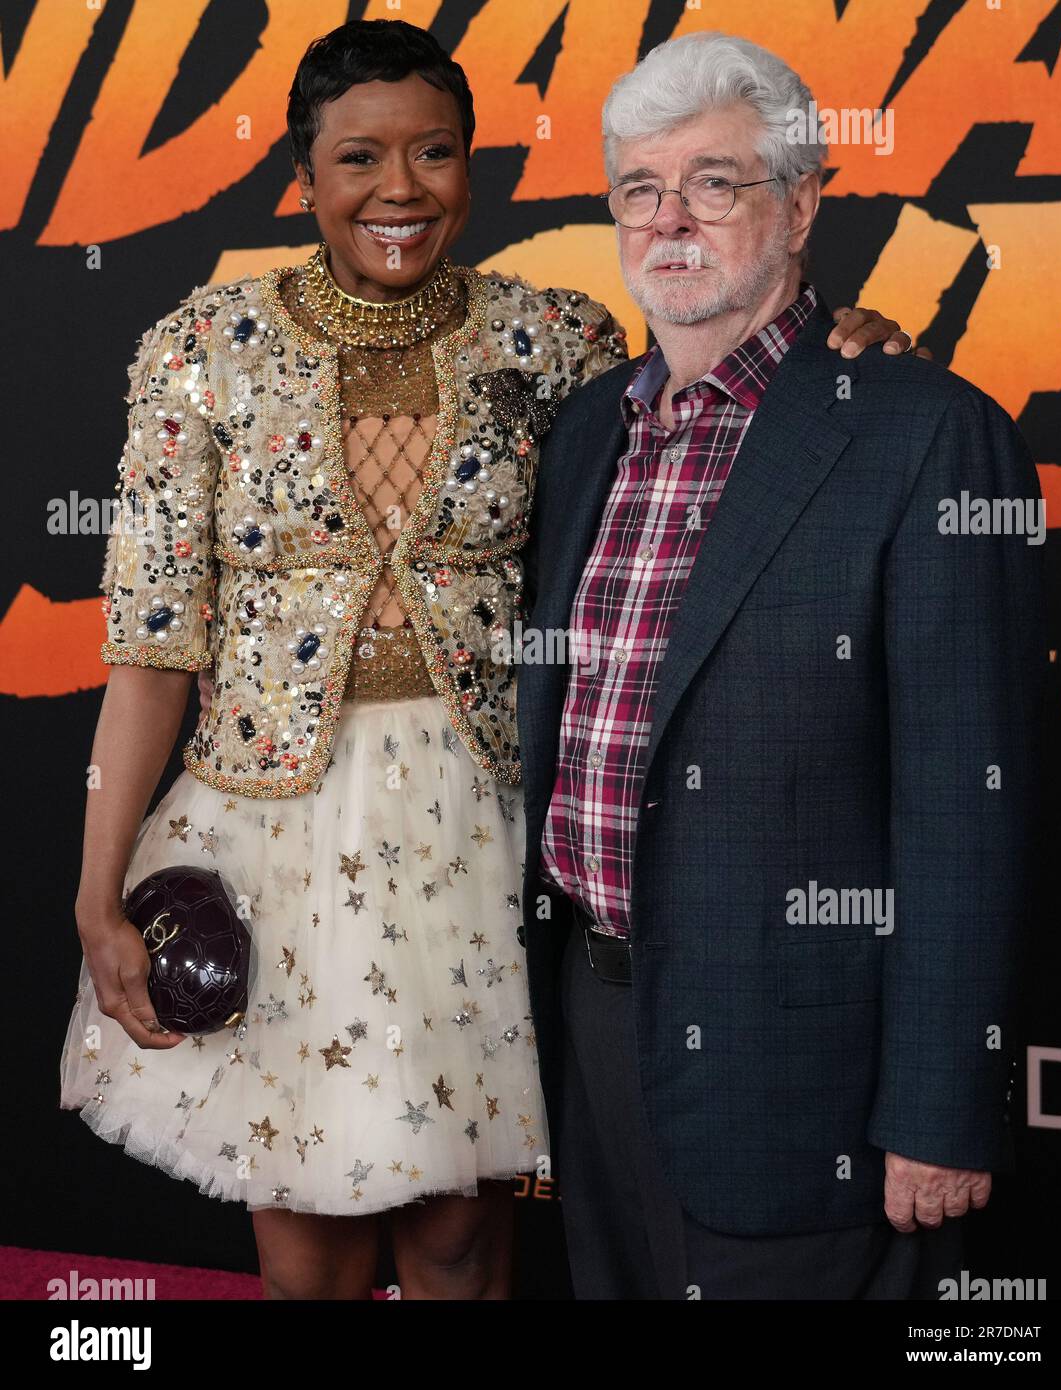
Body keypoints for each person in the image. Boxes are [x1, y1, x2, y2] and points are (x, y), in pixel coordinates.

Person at [60, 19, 911, 1301]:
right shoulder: (203, 349)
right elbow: (150, 645)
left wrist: (849, 344)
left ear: (472, 168)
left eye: (434, 154)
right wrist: (96, 889)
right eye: (358, 158)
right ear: (301, 174)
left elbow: (722, 385)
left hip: (481, 837)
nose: (398, 190)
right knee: (308, 1242)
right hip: (269, 834)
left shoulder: (554, 337)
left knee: (462, 1237)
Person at [517, 32, 1047, 1300]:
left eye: (715, 182)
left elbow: (963, 806)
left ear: (802, 202)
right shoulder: (589, 427)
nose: (669, 220)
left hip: (799, 1060)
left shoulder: (926, 434)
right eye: (639, 189)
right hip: (593, 1023)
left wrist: (937, 1103)